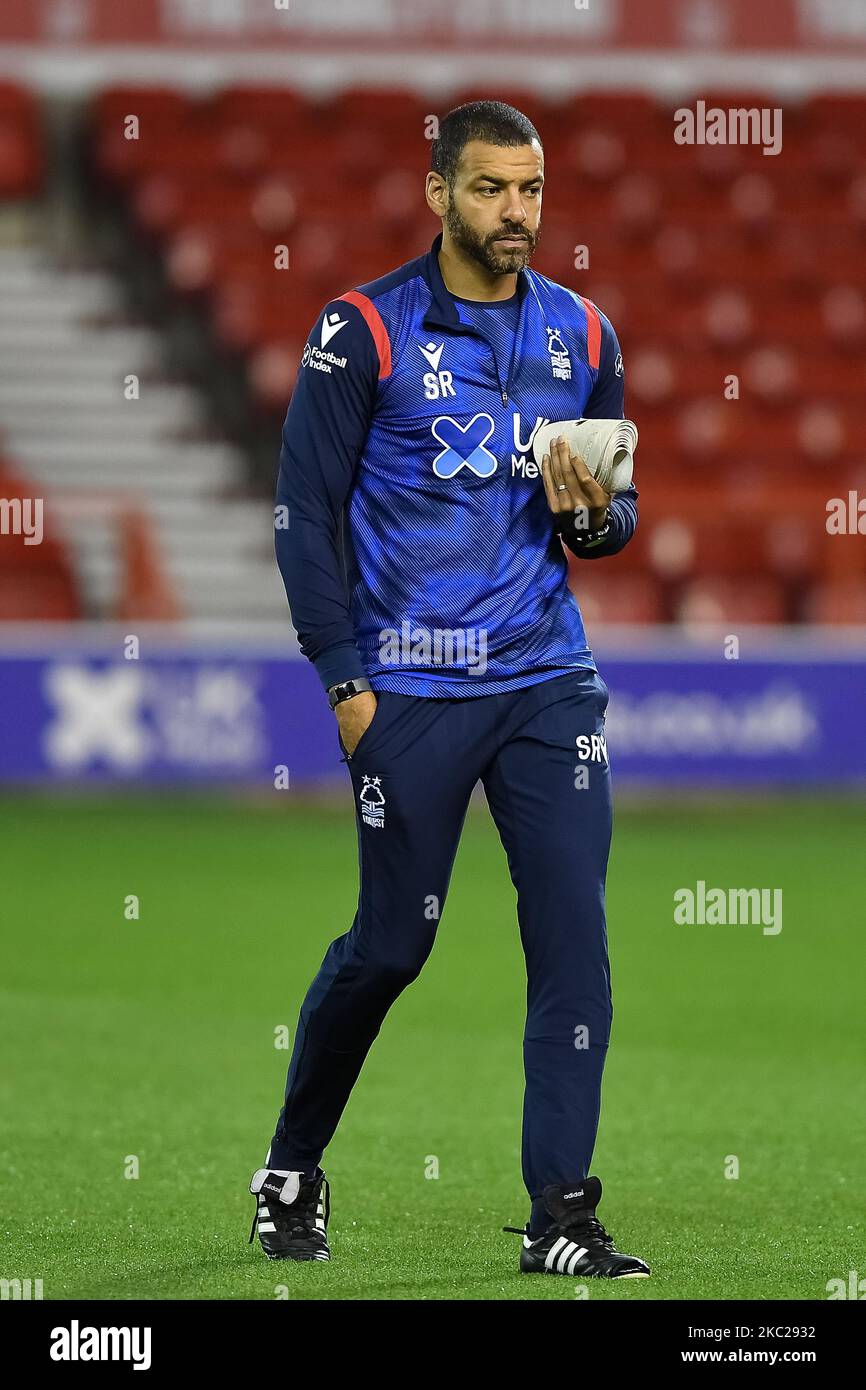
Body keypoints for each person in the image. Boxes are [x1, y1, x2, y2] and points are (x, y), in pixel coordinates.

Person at [249, 100, 649, 1280]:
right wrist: (343, 683)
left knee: (573, 939)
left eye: (528, 190)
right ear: (437, 195)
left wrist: (598, 515)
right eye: (487, 189)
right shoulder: (361, 329)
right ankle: (290, 1165)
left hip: (545, 682)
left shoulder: (584, 334)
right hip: (409, 690)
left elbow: (612, 520)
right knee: (389, 948)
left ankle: (560, 1217)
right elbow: (300, 517)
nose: (513, 212)